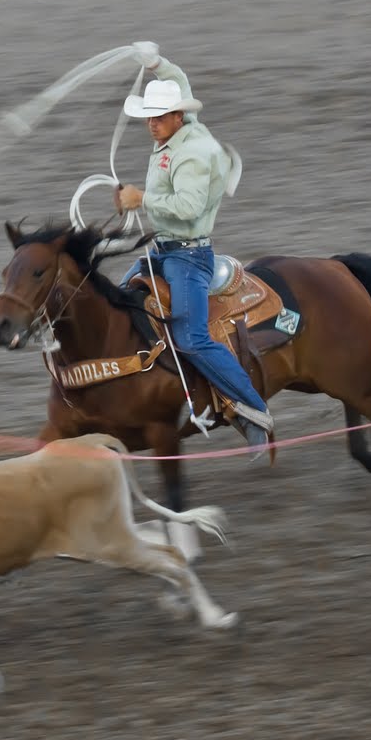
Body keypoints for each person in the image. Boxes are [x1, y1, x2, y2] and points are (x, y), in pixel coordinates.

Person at [114, 42, 273, 458]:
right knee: (118, 303)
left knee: (192, 336)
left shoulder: (195, 153)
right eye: (148, 117)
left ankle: (255, 412)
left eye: (158, 117)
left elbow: (188, 208)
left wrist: (140, 199)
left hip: (188, 257)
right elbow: (178, 82)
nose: (151, 124)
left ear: (177, 117)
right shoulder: (183, 128)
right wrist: (155, 63)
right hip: (163, 250)